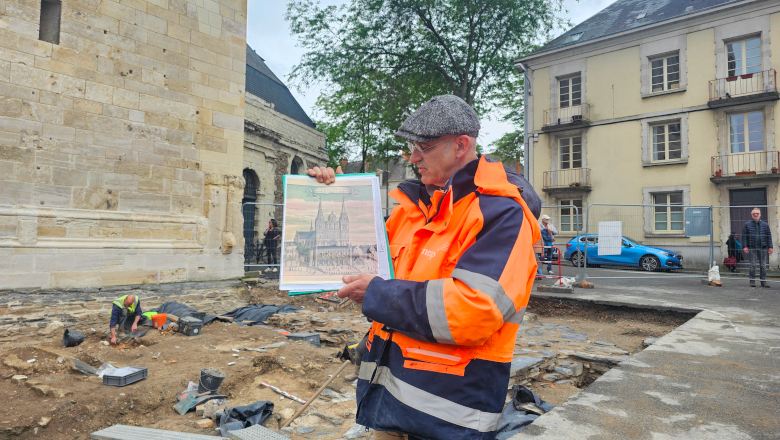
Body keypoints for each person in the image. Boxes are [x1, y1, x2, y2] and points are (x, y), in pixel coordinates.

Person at [306, 95, 541, 440]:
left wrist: (377, 293)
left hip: (446, 418)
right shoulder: (411, 210)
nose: (413, 158)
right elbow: (358, 262)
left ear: (461, 146)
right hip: (388, 406)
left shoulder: (501, 214)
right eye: (411, 148)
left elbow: (472, 312)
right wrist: (334, 194)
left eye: (424, 148)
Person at [741, 208, 773, 288]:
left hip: (763, 248)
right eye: (754, 213)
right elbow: (744, 236)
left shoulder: (765, 225)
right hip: (752, 247)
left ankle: (763, 281)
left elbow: (768, 236)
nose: (755, 215)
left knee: (763, 265)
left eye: (757, 213)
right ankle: (752, 281)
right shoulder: (747, 224)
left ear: (760, 214)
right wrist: (745, 246)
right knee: (753, 265)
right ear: (751, 215)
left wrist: (770, 247)